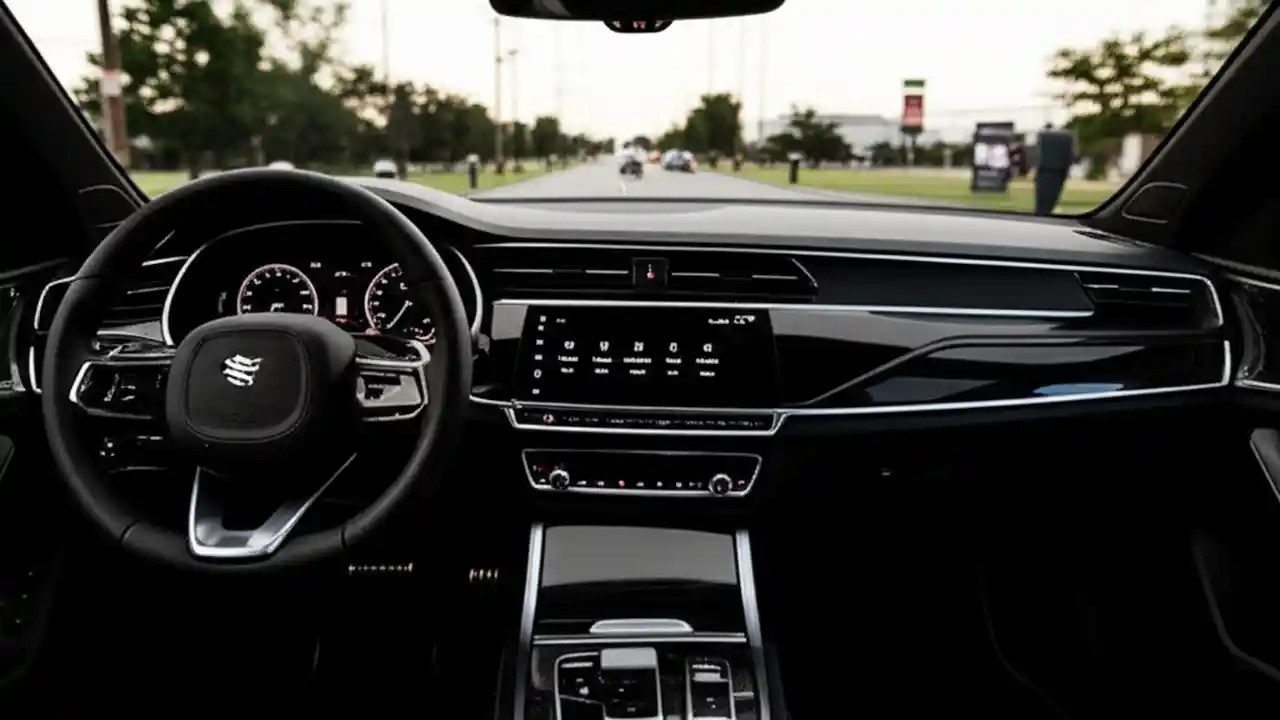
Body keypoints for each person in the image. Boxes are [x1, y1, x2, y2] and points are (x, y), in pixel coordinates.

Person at [1034, 123, 1075, 215]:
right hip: (1060, 169)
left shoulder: (1043, 136)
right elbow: (1070, 155)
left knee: (1042, 195)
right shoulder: (1067, 137)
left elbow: (1037, 154)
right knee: (1053, 194)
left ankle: (1041, 211)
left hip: (1045, 168)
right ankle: (1047, 210)